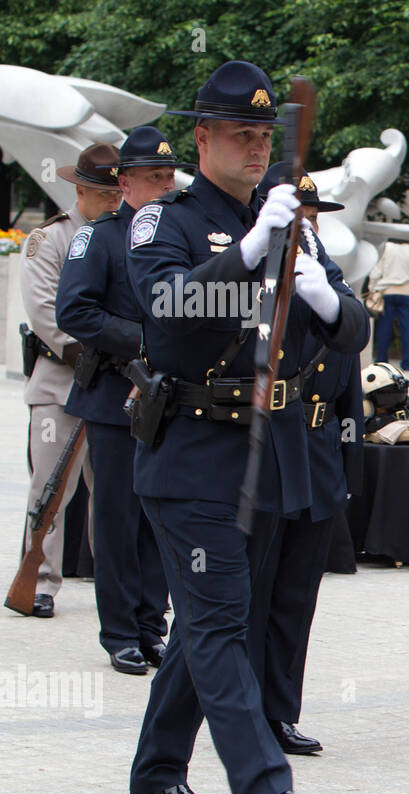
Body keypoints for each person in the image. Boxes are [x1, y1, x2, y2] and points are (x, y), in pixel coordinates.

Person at [124, 61, 367, 794]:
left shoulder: (286, 222)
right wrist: (250, 251)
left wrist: (326, 295)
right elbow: (167, 316)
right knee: (223, 624)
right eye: (240, 134)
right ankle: (264, 791)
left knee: (209, 625)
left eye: (265, 136)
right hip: (193, 456)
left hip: (264, 458)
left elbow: (355, 330)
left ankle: (158, 770)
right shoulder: (167, 222)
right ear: (203, 138)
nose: (256, 149)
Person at [54, 128, 183, 675]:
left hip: (170, 397)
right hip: (113, 396)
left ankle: (153, 624)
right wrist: (146, 340)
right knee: (116, 518)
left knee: (160, 516)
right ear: (124, 183)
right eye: (153, 177)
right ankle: (121, 632)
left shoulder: (179, 233)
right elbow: (75, 313)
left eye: (169, 175)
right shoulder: (100, 238)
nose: (165, 185)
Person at [246, 163, 363, 755]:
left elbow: (348, 373)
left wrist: (349, 461)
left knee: (297, 594)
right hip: (267, 447)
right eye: (300, 212)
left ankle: (281, 710)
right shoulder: (253, 264)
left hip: (316, 451)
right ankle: (246, 714)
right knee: (256, 590)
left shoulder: (322, 266)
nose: (309, 223)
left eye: (313, 214)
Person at [16, 144, 116, 619]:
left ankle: (117, 588)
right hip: (62, 381)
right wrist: (93, 351)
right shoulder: (51, 239)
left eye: (119, 191)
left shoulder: (124, 237)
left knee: (115, 493)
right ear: (79, 190)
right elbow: (43, 313)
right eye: (104, 192)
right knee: (51, 490)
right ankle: (37, 582)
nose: (114, 200)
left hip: (114, 384)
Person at [368, 234, 409, 371]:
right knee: (407, 329)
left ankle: (381, 359)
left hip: (387, 292)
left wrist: (372, 290)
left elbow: (375, 273)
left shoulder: (386, 249)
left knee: (384, 327)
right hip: (408, 293)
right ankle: (407, 362)